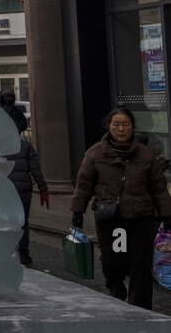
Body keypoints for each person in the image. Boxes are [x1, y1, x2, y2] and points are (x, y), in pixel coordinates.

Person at [71, 107, 171, 310]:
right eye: (116, 124)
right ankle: (116, 290)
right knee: (113, 261)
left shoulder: (146, 155)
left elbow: (159, 188)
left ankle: (140, 307)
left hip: (140, 218)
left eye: (125, 124)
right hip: (112, 218)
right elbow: (84, 185)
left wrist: (167, 214)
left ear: (133, 127)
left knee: (140, 265)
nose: (121, 129)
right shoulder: (95, 153)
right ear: (109, 126)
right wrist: (77, 211)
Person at [6, 133, 48, 265]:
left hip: (6, 189)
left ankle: (9, 250)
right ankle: (24, 253)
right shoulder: (26, 146)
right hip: (24, 189)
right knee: (23, 222)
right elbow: (36, 169)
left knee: (7, 221)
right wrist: (43, 188)